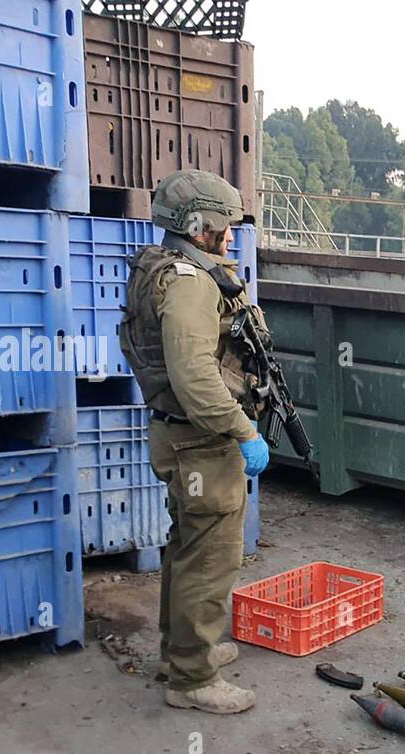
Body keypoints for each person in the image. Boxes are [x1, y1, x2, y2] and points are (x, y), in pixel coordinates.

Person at [119, 169, 272, 715]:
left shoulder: (164, 268)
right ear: (195, 224)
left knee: (187, 547)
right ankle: (191, 679)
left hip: (181, 438)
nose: (229, 234)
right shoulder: (188, 282)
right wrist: (245, 430)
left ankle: (180, 651)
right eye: (222, 224)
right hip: (200, 441)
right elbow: (195, 376)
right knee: (210, 556)